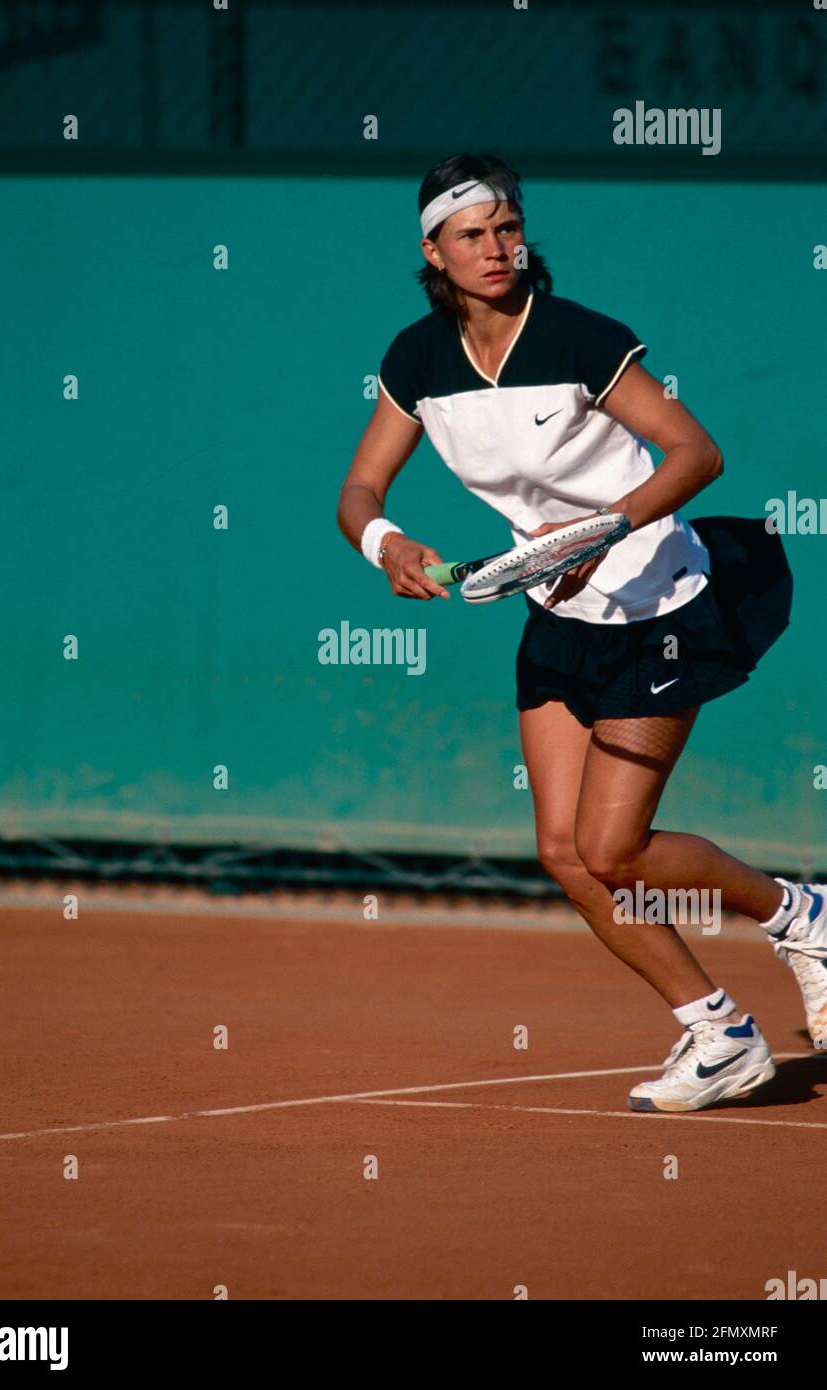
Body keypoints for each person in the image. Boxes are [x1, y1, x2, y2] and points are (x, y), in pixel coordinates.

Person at [336, 151, 827, 1113]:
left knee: (613, 850)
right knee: (563, 853)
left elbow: (699, 454)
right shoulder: (415, 361)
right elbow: (359, 491)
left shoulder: (580, 338)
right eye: (472, 234)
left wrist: (611, 525)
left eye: (508, 227)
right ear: (431, 249)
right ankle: (719, 1034)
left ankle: (801, 914)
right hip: (557, 618)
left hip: (661, 609)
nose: (496, 248)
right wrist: (387, 544)